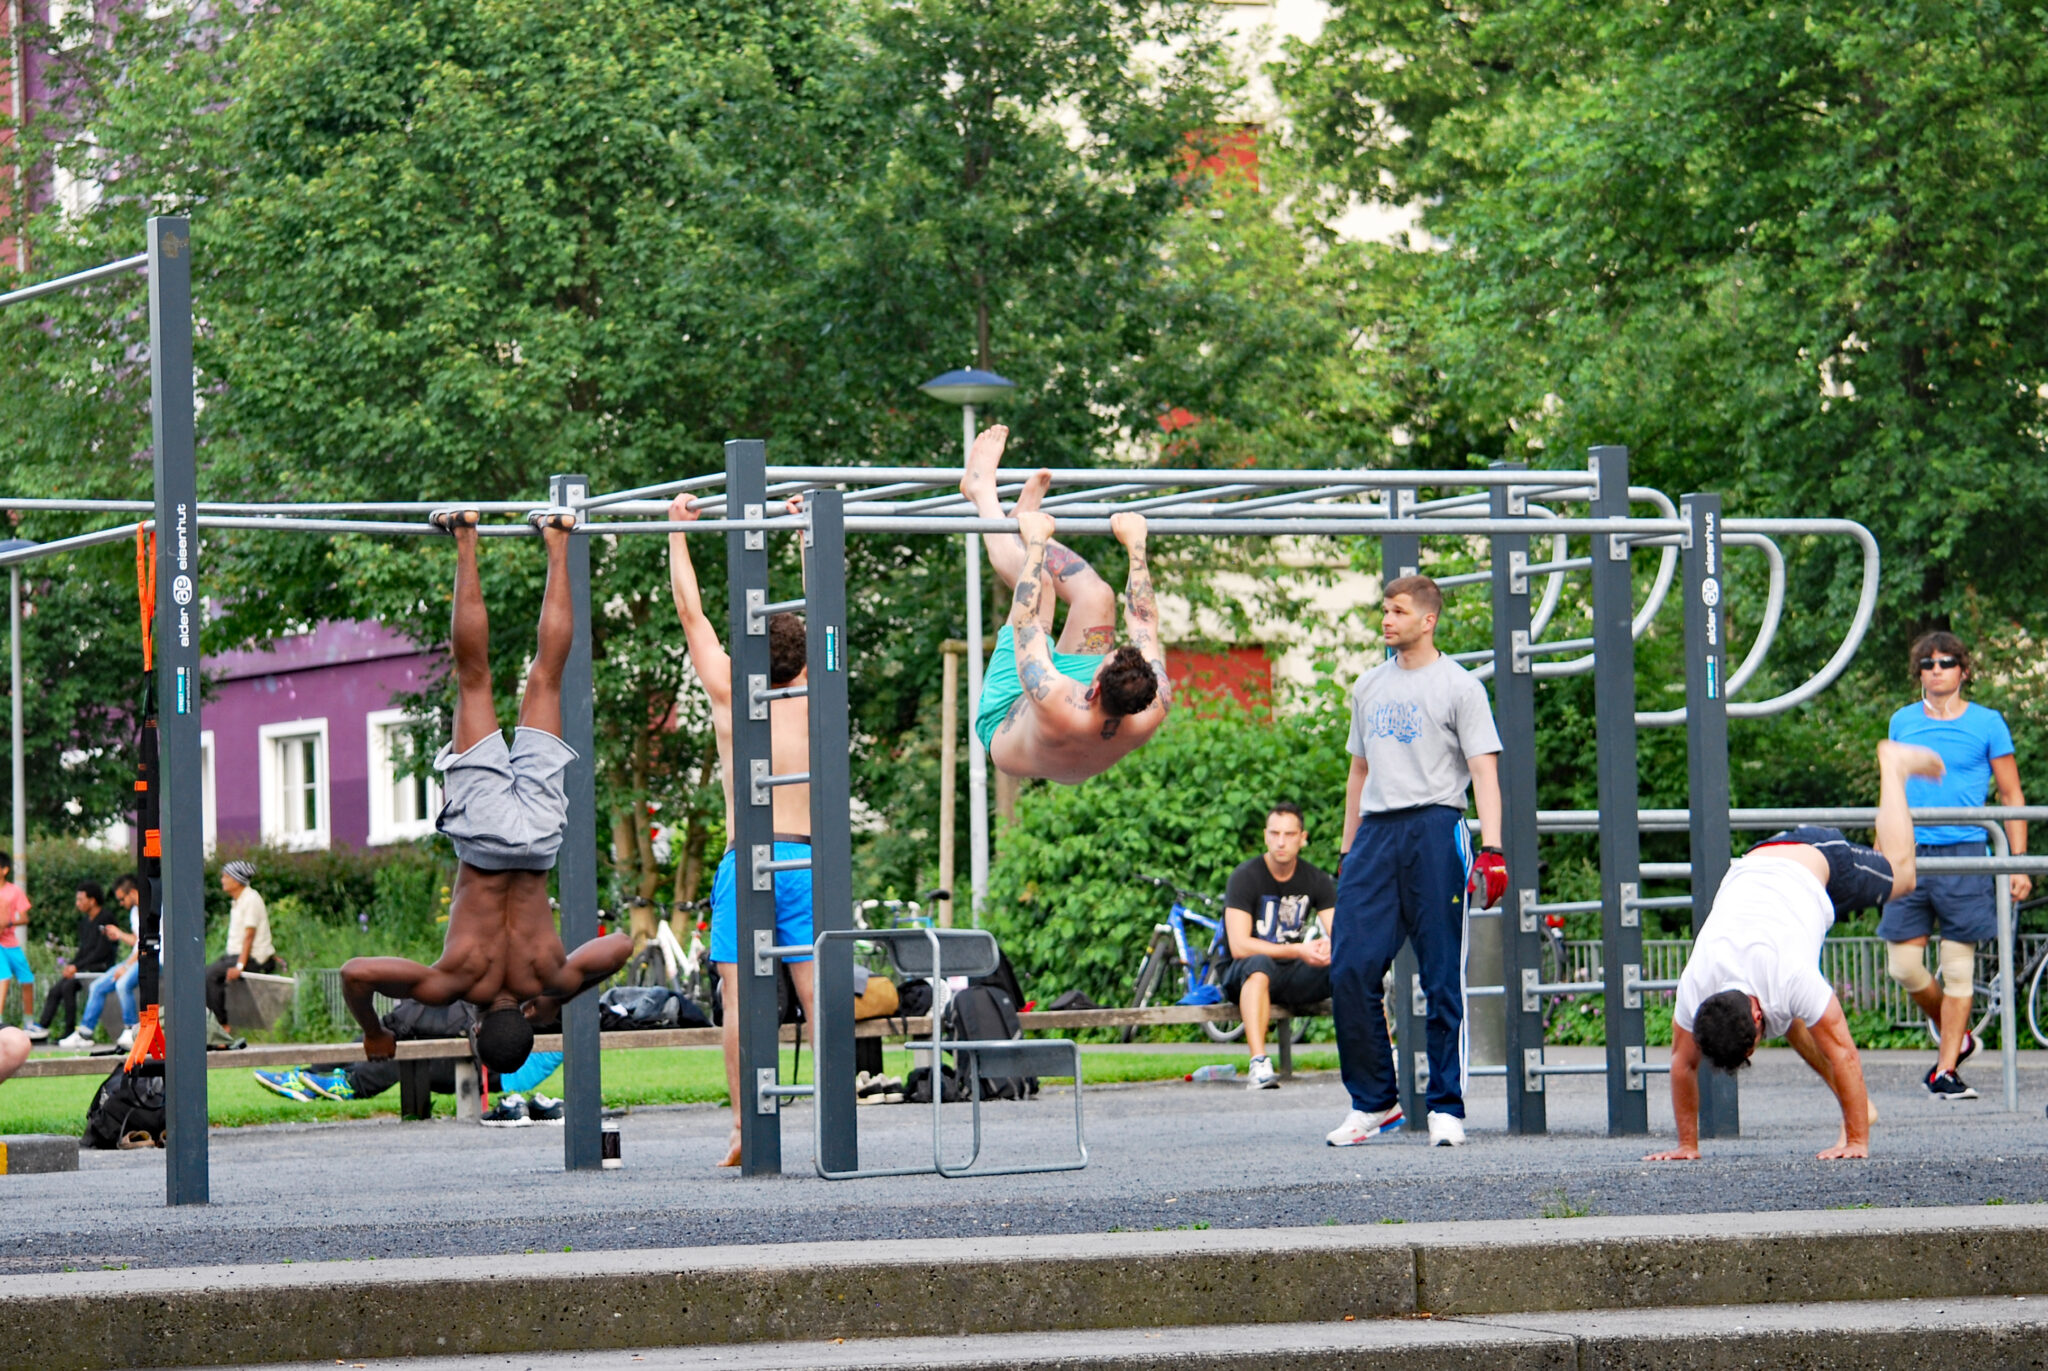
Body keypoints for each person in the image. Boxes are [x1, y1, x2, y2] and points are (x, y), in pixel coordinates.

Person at [340, 509, 633, 1080]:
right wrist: (373, 1031)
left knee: (548, 675)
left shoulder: (550, 977)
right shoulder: (454, 982)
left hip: (540, 838)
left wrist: (554, 997)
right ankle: (466, 537)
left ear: (529, 1018)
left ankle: (557, 542)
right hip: (485, 835)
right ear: (473, 1029)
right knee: (473, 677)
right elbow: (356, 973)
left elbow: (619, 945)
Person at [1648, 741, 1946, 1163]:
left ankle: (1892, 766)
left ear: (1753, 1019)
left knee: (1902, 874)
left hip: (1814, 862)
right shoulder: (1697, 985)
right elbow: (1683, 1063)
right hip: (1763, 872)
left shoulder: (1790, 977)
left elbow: (1844, 1049)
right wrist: (1686, 1146)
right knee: (1790, 1022)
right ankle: (1856, 1104)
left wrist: (1858, 1142)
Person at [1327, 575, 1506, 1149]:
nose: (1386, 619)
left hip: (1436, 827)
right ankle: (1376, 1102)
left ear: (1427, 620)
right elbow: (1358, 773)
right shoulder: (1368, 687)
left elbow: (1483, 771)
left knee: (1439, 976)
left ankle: (1446, 1107)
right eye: (1384, 609)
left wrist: (1494, 851)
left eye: (1397, 611)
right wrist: (1347, 849)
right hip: (1375, 835)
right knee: (1350, 968)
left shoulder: (1460, 686)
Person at [667, 492, 818, 1167]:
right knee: (816, 992)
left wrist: (677, 533)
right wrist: (808, 532)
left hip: (746, 855)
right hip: (807, 858)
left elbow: (691, 615)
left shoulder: (733, 688)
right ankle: (835, 1114)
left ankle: (740, 1126)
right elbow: (828, 620)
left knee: (737, 994)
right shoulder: (818, 691)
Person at [961, 426, 1172, 783]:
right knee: (1097, 597)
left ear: (1094, 686)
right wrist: (1137, 546)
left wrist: (1038, 545)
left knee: (1039, 586)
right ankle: (1015, 528)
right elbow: (1143, 624)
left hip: (1009, 717)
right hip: (1074, 735)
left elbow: (1026, 619)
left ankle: (980, 492)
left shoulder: (1053, 694)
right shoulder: (1152, 702)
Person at [1878, 632, 2029, 1102]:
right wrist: (1879, 855)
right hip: (1909, 853)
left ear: (1963, 670)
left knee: (1957, 968)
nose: (1936, 668)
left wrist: (2017, 864)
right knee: (1903, 966)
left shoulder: (1988, 723)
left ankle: (1945, 1070)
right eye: (1927, 662)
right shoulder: (1902, 721)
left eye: (1946, 662)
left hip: (1965, 852)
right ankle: (1956, 1034)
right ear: (1918, 672)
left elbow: (2011, 795)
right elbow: (1891, 792)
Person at [255, 998, 565, 1125]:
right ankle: (309, 1076)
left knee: (403, 1038)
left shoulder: (555, 1004)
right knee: (391, 1031)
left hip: (499, 1070)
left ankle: (348, 1084)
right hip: (490, 1053)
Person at [1222, 803, 1339, 1091]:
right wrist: (1300, 950)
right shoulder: (1244, 877)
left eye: (1289, 834)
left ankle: (1384, 1053)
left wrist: (1327, 949)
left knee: (1353, 965)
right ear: (1265, 836)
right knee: (1259, 965)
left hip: (1294, 973)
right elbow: (1239, 946)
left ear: (1303, 838)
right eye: (1275, 833)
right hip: (1245, 973)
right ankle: (1259, 1064)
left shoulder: (1316, 879)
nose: (1281, 841)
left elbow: (1343, 934)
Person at [26, 880, 122, 1042]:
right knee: (56, 989)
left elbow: (102, 951)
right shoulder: (85, 922)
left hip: (101, 967)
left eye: (80, 900)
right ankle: (42, 1028)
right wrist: (71, 965)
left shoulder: (106, 918)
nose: (77, 904)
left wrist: (77, 967)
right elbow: (83, 950)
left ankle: (70, 1031)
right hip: (83, 968)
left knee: (68, 987)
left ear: (92, 900)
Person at [60, 874, 142, 1050]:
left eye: (122, 898)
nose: (120, 903)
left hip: (154, 959)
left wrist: (127, 967)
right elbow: (137, 941)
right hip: (136, 958)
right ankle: (85, 1033)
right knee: (97, 986)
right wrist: (119, 934)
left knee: (122, 983)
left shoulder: (153, 910)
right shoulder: (134, 912)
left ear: (133, 892)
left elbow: (148, 945)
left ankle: (131, 1028)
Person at [205, 860, 277, 1047]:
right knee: (207, 973)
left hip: (253, 958)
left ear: (237, 880)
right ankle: (216, 1027)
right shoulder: (238, 900)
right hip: (236, 955)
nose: (222, 880)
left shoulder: (251, 899)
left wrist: (239, 966)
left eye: (226, 876)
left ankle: (222, 1028)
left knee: (210, 975)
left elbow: (249, 936)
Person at [0, 851, 33, 1029]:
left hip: (10, 942)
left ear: (5, 870)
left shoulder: (14, 891)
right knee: (3, 977)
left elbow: (25, 918)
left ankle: (29, 1023)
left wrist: (8, 922)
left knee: (27, 979)